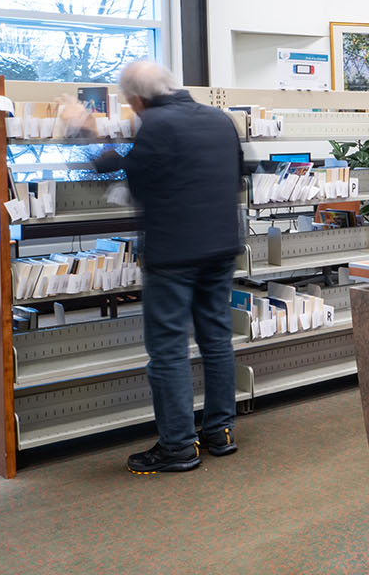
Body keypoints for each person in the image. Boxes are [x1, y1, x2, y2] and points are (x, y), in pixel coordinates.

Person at [65, 60, 245, 474]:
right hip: (220, 247)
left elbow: (129, 176)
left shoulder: (157, 125)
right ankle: (219, 432)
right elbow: (237, 176)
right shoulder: (221, 120)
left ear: (137, 99)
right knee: (217, 339)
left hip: (174, 254)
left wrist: (85, 136)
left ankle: (178, 447)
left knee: (167, 350)